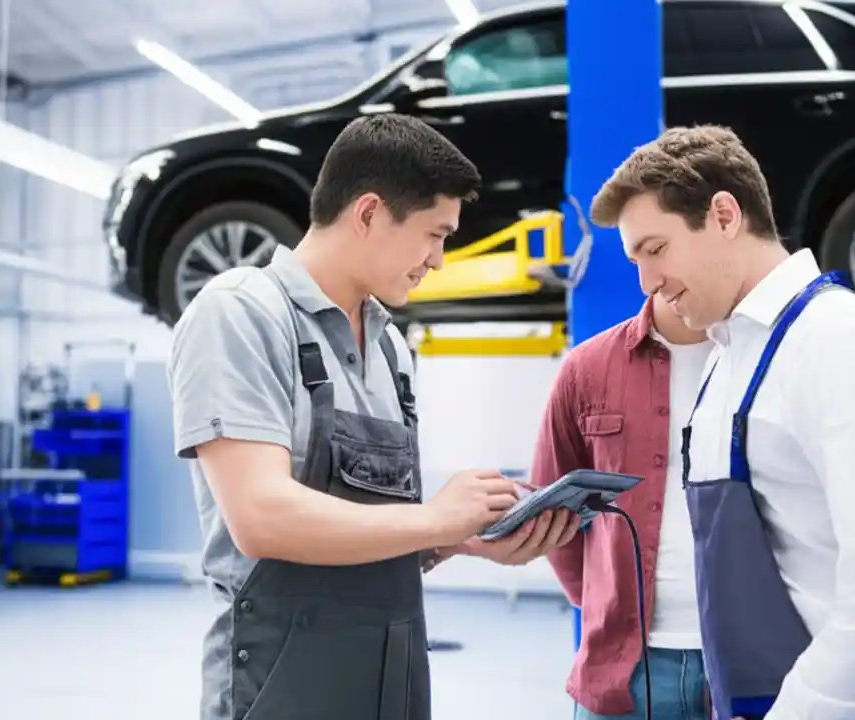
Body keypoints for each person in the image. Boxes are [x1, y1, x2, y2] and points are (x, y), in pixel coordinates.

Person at [167, 113, 579, 720]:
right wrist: (434, 518)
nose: (439, 260)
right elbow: (262, 518)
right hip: (283, 686)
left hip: (393, 679)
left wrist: (462, 538)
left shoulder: (391, 348)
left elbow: (374, 531)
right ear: (368, 213)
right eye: (434, 234)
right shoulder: (240, 314)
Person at [588, 125, 855, 720]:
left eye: (655, 250)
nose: (647, 283)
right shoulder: (730, 357)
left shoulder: (840, 345)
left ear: (724, 215)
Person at [532, 293, 713, 720]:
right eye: (638, 256)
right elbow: (552, 507)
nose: (649, 277)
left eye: (659, 248)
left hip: (747, 666)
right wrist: (604, 600)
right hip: (620, 671)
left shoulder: (765, 362)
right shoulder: (588, 368)